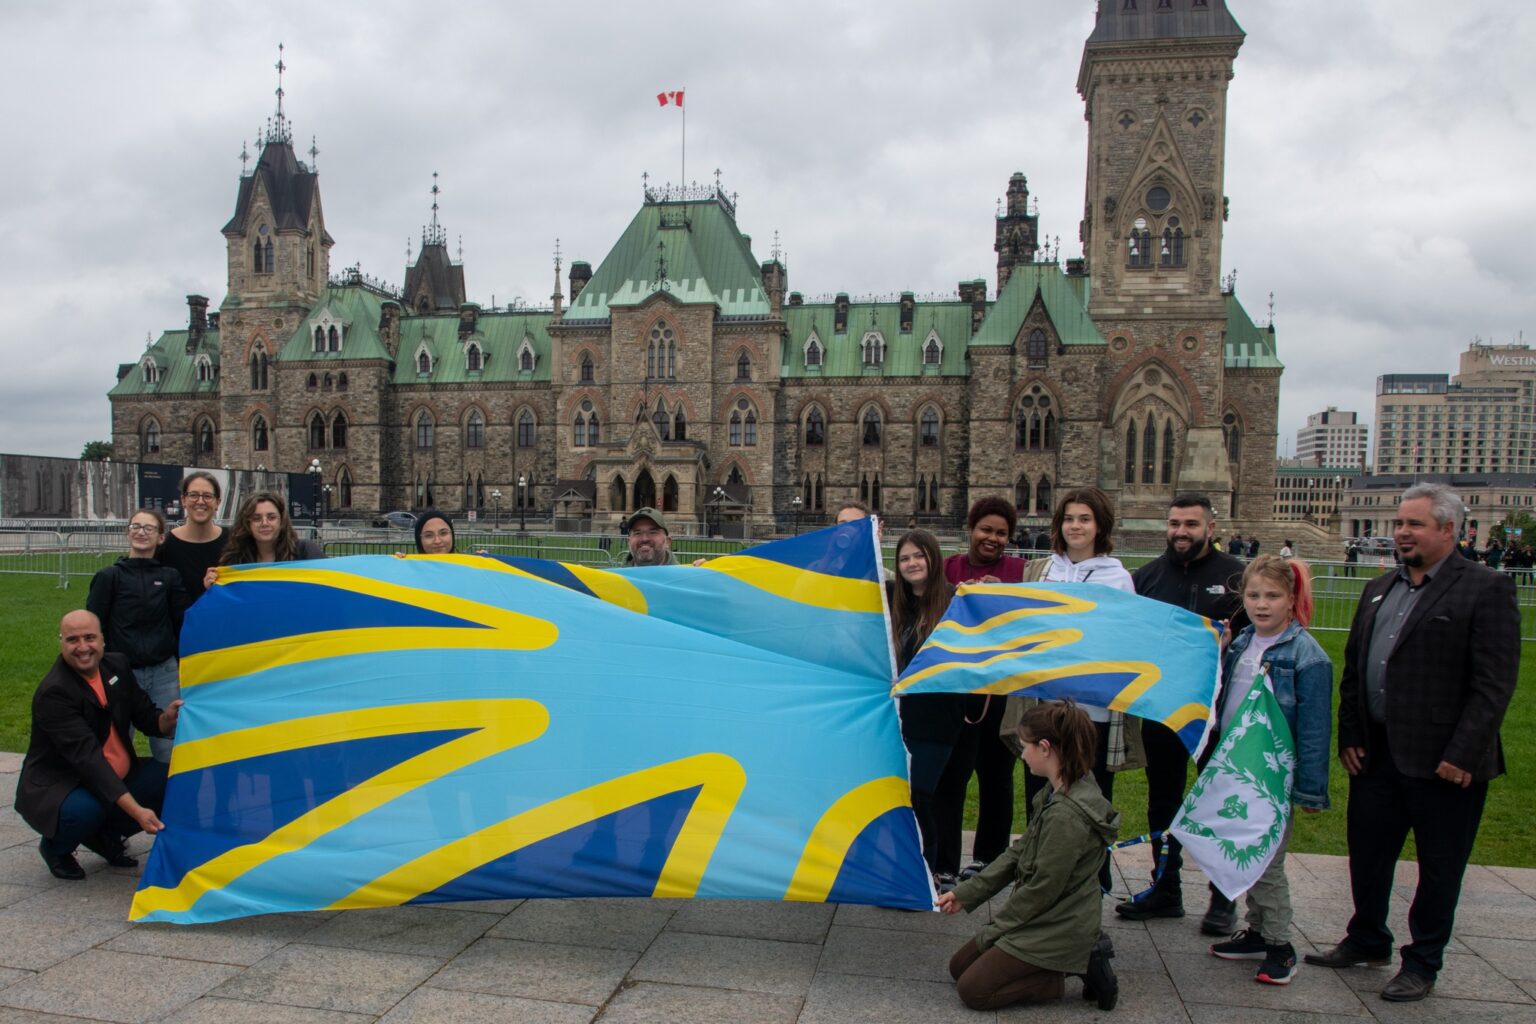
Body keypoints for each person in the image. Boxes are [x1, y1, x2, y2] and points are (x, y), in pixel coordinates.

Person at [1304, 484, 1519, 1003]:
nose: (1401, 532)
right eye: (1400, 523)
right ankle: (1367, 938)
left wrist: (1462, 753)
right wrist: (1352, 735)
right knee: (1369, 855)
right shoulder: (1378, 587)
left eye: (1414, 524)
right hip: (1377, 754)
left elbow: (1493, 684)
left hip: (1445, 761)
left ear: (1448, 530)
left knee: (1440, 866)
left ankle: (1422, 961)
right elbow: (1356, 670)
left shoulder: (1484, 588)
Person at [1117, 493, 1246, 933]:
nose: (1181, 532)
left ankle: (1223, 897)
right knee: (1165, 802)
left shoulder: (1236, 577)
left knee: (1220, 801)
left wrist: (1229, 645)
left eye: (1190, 524)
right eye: (1174, 524)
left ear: (1211, 527)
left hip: (1220, 713)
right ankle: (1166, 887)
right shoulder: (1148, 577)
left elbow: (1260, 638)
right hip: (1165, 709)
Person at [938, 701, 1120, 1012]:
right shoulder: (1057, 791)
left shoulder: (1066, 816)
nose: (1022, 754)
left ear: (1045, 747)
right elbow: (1018, 853)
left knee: (973, 991)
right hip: (1043, 914)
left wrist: (996, 930)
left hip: (1057, 924)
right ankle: (1043, 962)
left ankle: (1075, 967)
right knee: (959, 967)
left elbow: (1041, 890)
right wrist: (967, 893)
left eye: (1025, 746)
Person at [1208, 555, 1334, 985]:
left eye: (1273, 596)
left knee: (1267, 865)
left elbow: (1316, 729)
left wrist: (1310, 790)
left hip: (1272, 775)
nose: (1262, 605)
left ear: (1292, 599)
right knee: (1248, 855)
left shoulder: (1307, 656)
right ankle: (1258, 931)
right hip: (1236, 767)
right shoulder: (1242, 644)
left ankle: (1281, 943)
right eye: (1254, 595)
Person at [1012, 487, 1136, 892]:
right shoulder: (1043, 571)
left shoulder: (1118, 578)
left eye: (1084, 519)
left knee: (1088, 798)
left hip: (1092, 711)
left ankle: (1090, 884)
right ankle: (1037, 877)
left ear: (1100, 525)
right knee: (1040, 795)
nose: (1075, 526)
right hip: (1045, 707)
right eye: (1069, 519)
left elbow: (1127, 640)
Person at [15, 611, 182, 880]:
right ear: (61, 642)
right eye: (72, 640)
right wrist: (137, 811)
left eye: (89, 637)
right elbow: (90, 762)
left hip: (117, 775)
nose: (83, 647)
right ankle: (56, 848)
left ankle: (105, 836)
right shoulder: (54, 693)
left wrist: (167, 719)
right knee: (83, 812)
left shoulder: (117, 666)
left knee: (171, 779)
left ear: (103, 639)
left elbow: (146, 716)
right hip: (65, 784)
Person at [940, 497, 1029, 881]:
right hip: (958, 688)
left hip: (1000, 690)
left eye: (1001, 533)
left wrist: (1002, 596)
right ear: (971, 529)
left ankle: (989, 861)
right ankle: (942, 859)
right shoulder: (950, 567)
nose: (992, 538)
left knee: (996, 777)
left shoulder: (1019, 571)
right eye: (986, 529)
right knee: (951, 777)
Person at [85, 509, 187, 763]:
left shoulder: (169, 577)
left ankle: (168, 800)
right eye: (136, 527)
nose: (141, 532)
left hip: (163, 672)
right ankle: (118, 800)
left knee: (168, 747)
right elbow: (95, 625)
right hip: (121, 673)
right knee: (117, 744)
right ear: (127, 532)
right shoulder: (110, 577)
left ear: (160, 538)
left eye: (149, 528)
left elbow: (182, 621)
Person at [889, 530, 963, 880]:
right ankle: (908, 871)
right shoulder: (894, 602)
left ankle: (924, 874)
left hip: (936, 720)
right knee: (902, 798)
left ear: (933, 559)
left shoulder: (956, 603)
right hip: (899, 718)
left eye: (919, 556)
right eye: (904, 558)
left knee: (921, 795)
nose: (912, 563)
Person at [207, 491, 325, 588]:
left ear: (281, 521)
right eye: (257, 518)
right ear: (247, 523)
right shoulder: (235, 559)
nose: (265, 523)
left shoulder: (305, 552)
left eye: (271, 517)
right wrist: (213, 588)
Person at [158, 471, 228, 602]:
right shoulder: (165, 546)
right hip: (180, 622)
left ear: (217, 502)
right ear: (183, 500)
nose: (200, 501)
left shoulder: (233, 542)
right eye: (193, 495)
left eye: (207, 496)